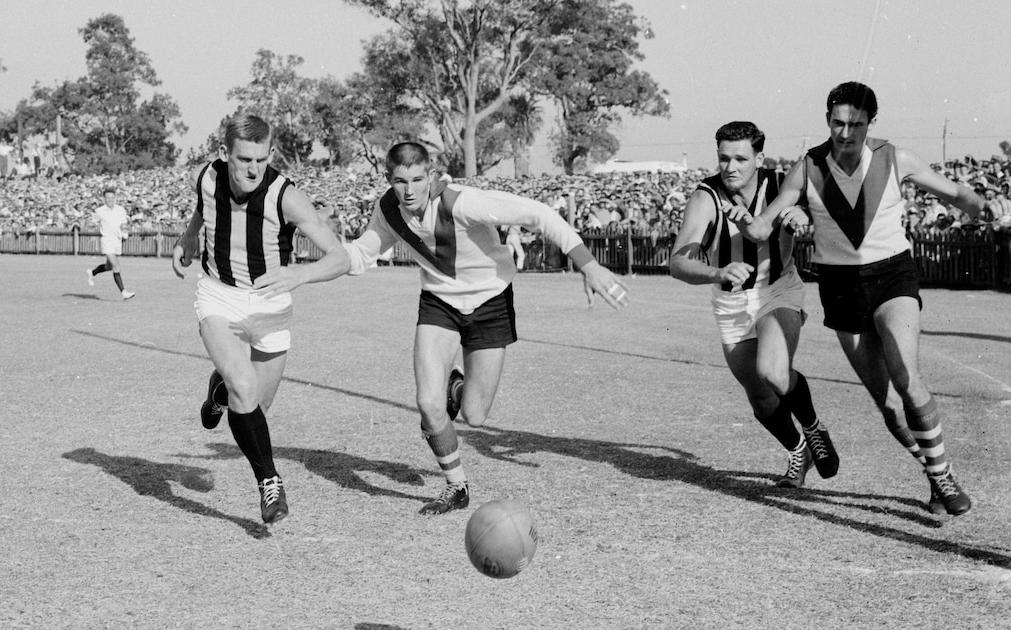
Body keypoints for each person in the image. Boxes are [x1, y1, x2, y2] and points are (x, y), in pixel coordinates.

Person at [292, 141, 628, 516]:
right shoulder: (387, 210)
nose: (409, 190)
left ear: (430, 174)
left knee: (475, 416)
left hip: (490, 299)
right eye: (400, 181)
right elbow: (358, 257)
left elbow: (539, 213)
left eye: (417, 179)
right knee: (428, 404)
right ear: (388, 179)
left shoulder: (462, 202)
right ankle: (457, 485)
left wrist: (589, 264)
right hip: (439, 302)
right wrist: (316, 244)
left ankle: (458, 386)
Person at [734, 82, 1010, 516]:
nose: (846, 134)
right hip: (841, 286)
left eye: (857, 125)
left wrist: (985, 205)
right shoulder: (807, 168)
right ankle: (934, 472)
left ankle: (943, 476)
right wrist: (755, 221)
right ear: (827, 119)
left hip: (892, 275)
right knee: (889, 405)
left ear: (871, 123)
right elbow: (762, 229)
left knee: (907, 378)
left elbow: (954, 193)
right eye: (838, 123)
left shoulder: (894, 157)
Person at [170, 113, 350, 524]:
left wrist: (300, 273)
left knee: (254, 407)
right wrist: (189, 238)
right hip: (219, 296)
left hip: (270, 305)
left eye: (261, 159)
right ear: (223, 154)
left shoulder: (285, 196)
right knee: (245, 388)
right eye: (244, 159)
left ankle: (219, 391)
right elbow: (202, 210)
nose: (253, 169)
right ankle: (270, 483)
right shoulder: (207, 177)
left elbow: (340, 258)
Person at [669, 121, 839, 488]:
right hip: (731, 301)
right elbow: (677, 263)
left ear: (758, 158)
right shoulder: (706, 197)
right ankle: (798, 450)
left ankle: (813, 429)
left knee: (774, 372)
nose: (730, 167)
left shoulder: (780, 185)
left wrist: (802, 216)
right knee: (761, 399)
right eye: (724, 158)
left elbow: (816, 215)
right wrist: (717, 273)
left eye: (741, 159)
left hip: (777, 289)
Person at [86, 187, 135, 300]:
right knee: (116, 265)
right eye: (108, 197)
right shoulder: (100, 211)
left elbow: (123, 224)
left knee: (108, 266)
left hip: (117, 240)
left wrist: (125, 233)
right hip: (107, 240)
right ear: (104, 198)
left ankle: (92, 273)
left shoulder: (121, 210)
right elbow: (92, 223)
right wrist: (90, 222)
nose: (110, 200)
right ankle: (124, 292)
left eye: (112, 197)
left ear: (115, 198)